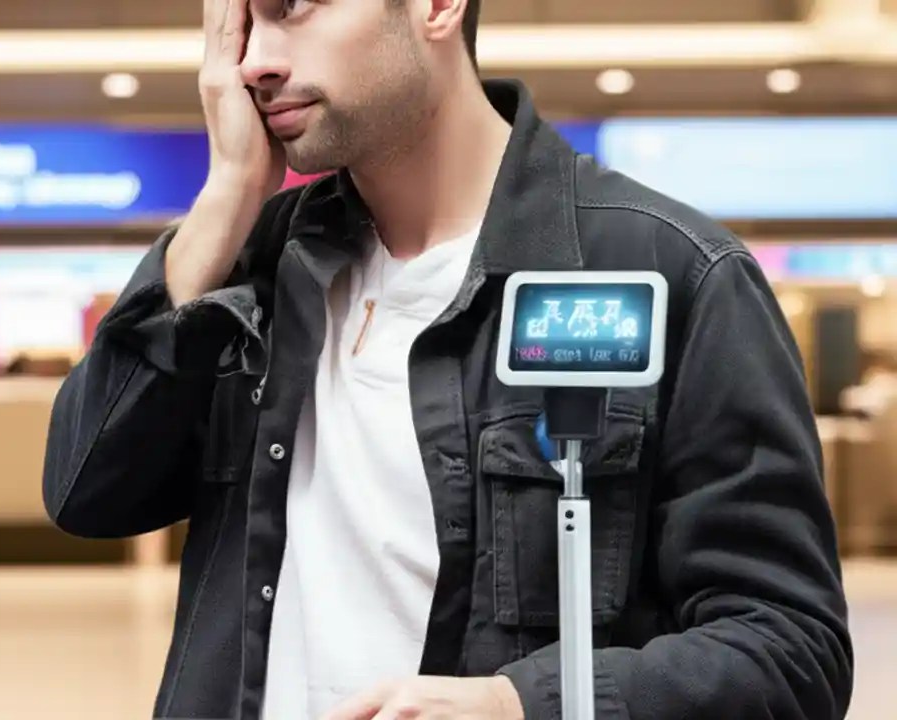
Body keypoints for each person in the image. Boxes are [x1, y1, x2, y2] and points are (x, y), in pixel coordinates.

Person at [42, 0, 854, 718]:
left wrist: (516, 704)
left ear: (437, 5)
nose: (253, 61)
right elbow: (85, 490)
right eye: (244, 22)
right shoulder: (251, 265)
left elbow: (788, 648)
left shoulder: (671, 274)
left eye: (293, 6)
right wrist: (225, 196)